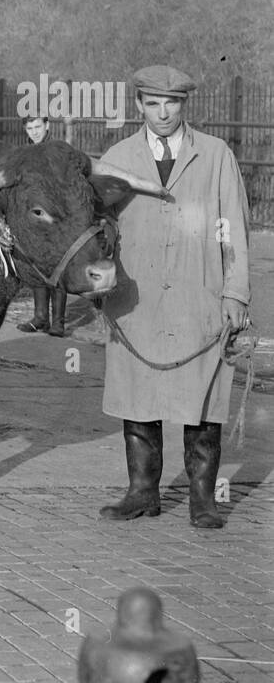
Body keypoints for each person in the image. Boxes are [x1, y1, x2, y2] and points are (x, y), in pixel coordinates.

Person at [99, 65, 251, 530]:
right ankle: (142, 493)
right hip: (136, 299)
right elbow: (97, 228)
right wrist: (99, 280)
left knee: (201, 398)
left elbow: (234, 229)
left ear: (184, 106)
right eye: (153, 103)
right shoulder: (118, 157)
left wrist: (236, 293)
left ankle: (202, 500)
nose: (162, 113)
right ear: (138, 105)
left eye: (172, 103)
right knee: (137, 396)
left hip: (197, 295)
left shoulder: (216, 155)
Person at [15, 113, 66, 337]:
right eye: (30, 128)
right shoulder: (22, 154)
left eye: (38, 126)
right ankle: (40, 318)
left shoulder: (57, 151)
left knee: (57, 267)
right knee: (37, 266)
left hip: (55, 216)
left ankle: (58, 323)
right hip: (32, 217)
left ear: (46, 125)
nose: (34, 132)